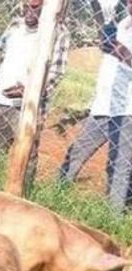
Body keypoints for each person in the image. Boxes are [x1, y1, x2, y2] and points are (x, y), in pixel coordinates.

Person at [0, 0, 69, 180]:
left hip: (30, 107)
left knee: (27, 154)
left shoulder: (58, 32)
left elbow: (57, 72)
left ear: (47, 9)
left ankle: (22, 196)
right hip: (2, 102)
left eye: (35, 8)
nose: (29, 12)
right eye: (26, 6)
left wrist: (30, 91)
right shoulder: (14, 26)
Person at [71, 0, 132, 212]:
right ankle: (55, 197)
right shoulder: (122, 24)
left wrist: (123, 53)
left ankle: (113, 219)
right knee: (77, 152)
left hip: (127, 110)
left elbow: (123, 55)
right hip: (103, 105)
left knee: (119, 167)